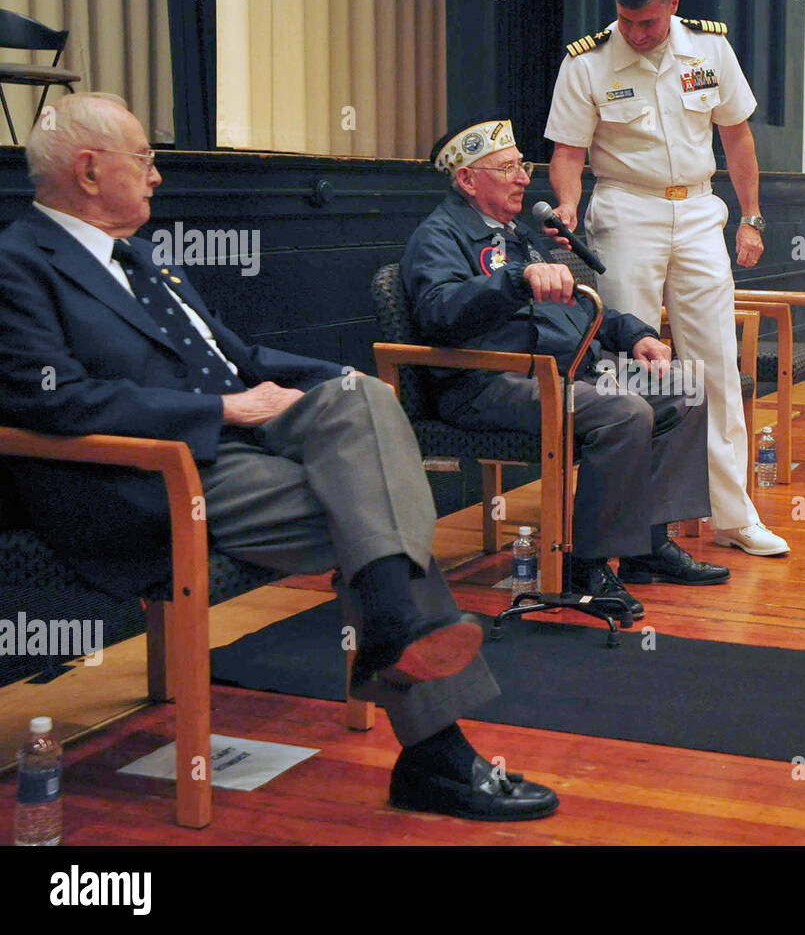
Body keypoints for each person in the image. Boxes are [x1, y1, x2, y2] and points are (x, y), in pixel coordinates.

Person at [0, 93, 556, 822]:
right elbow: (51, 403)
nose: (158, 176)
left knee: (364, 402)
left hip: (237, 446)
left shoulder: (141, 255)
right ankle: (433, 743)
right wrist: (219, 410)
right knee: (371, 513)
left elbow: (242, 355)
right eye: (145, 160)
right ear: (89, 169)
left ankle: (392, 630)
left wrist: (333, 377)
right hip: (145, 474)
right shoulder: (19, 264)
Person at [402, 115, 729, 614]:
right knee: (624, 413)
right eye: (508, 167)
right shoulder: (440, 236)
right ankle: (585, 568)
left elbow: (580, 302)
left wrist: (637, 334)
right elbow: (437, 313)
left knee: (682, 390)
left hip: (567, 372)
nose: (522, 177)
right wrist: (515, 279)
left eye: (522, 165)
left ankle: (646, 547)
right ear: (467, 179)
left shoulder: (518, 234)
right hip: (491, 383)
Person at [544, 0, 789, 557]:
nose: (635, 32)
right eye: (625, 20)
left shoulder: (709, 50)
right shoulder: (588, 62)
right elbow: (568, 153)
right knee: (635, 367)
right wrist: (568, 205)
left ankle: (732, 516)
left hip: (701, 210)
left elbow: (737, 138)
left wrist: (752, 218)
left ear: (674, 4)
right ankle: (635, 530)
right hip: (627, 208)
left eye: (648, 21)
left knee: (715, 367)